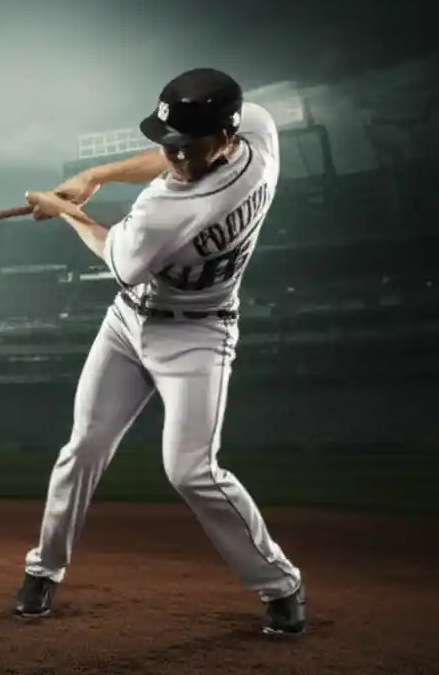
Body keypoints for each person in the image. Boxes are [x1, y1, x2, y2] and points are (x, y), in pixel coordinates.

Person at [15, 68, 306, 636]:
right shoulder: (259, 132)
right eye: (169, 141)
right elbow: (171, 152)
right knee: (83, 446)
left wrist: (64, 210)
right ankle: (44, 569)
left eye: (187, 146)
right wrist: (94, 176)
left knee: (191, 470)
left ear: (223, 139)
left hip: (197, 335)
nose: (173, 156)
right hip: (128, 323)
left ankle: (281, 584)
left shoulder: (171, 211)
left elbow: (113, 252)